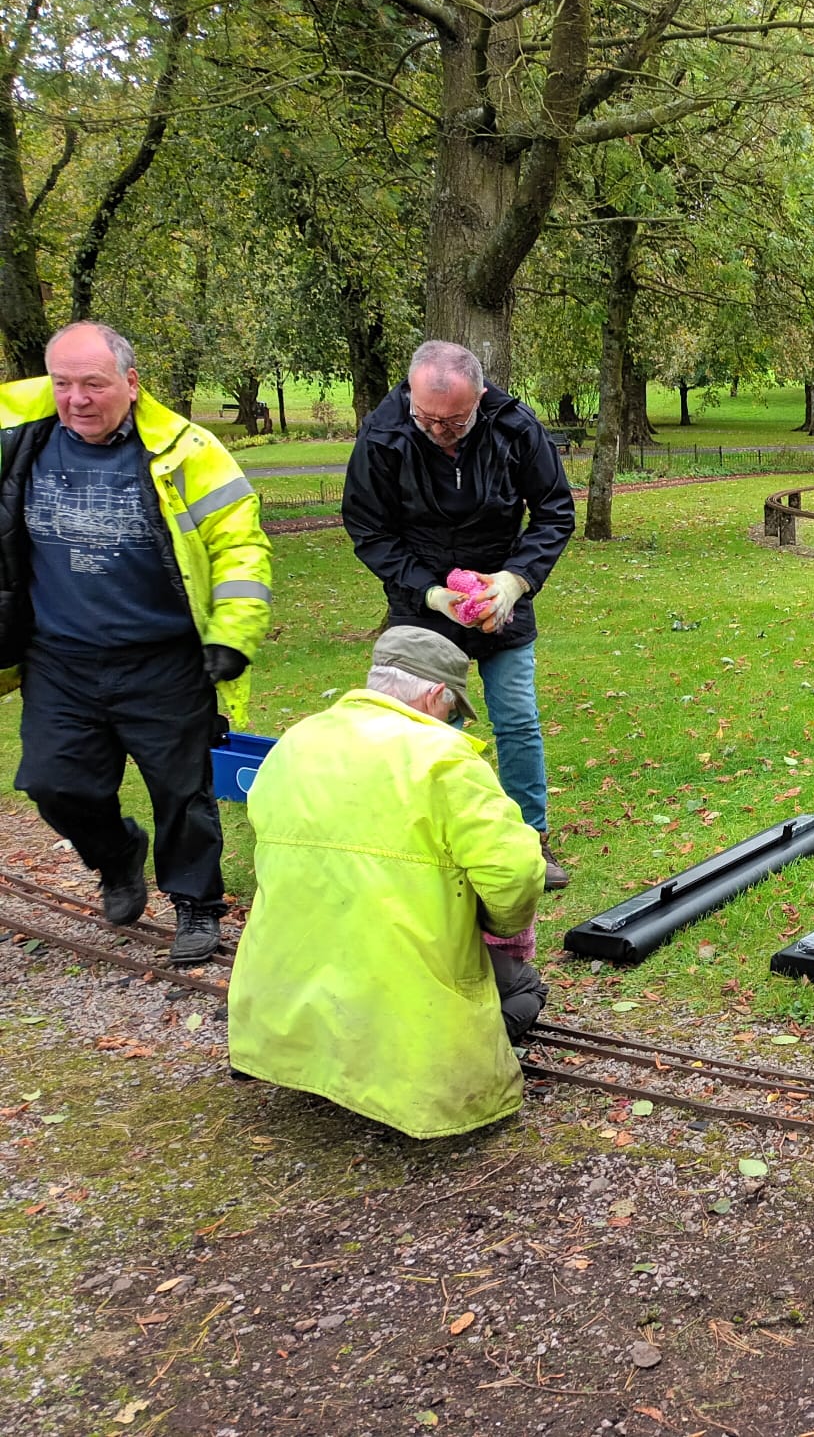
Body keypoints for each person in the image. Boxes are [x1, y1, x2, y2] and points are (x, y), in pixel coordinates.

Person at [0, 321, 272, 965]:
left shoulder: (189, 451)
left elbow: (238, 545)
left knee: (182, 792)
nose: (77, 399)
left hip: (163, 659)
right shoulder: (18, 438)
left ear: (131, 382)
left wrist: (233, 634)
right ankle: (116, 855)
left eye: (93, 384)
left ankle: (196, 905)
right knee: (52, 782)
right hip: (58, 657)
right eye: (63, 384)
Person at [227, 628, 548, 1139]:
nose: (453, 721)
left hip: (296, 962)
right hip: (401, 970)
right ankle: (450, 1059)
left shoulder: (298, 740)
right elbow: (514, 873)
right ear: (436, 695)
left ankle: (308, 1057)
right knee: (524, 987)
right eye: (454, 710)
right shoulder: (443, 759)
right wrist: (496, 926)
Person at [343, 340, 576, 889]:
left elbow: (554, 512)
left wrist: (514, 582)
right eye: (427, 418)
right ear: (410, 395)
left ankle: (529, 840)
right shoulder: (383, 435)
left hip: (500, 590)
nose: (439, 431)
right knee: (424, 725)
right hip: (420, 596)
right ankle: (430, 843)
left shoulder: (515, 427)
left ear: (480, 395)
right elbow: (368, 528)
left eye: (454, 421)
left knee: (516, 719)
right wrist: (429, 592)